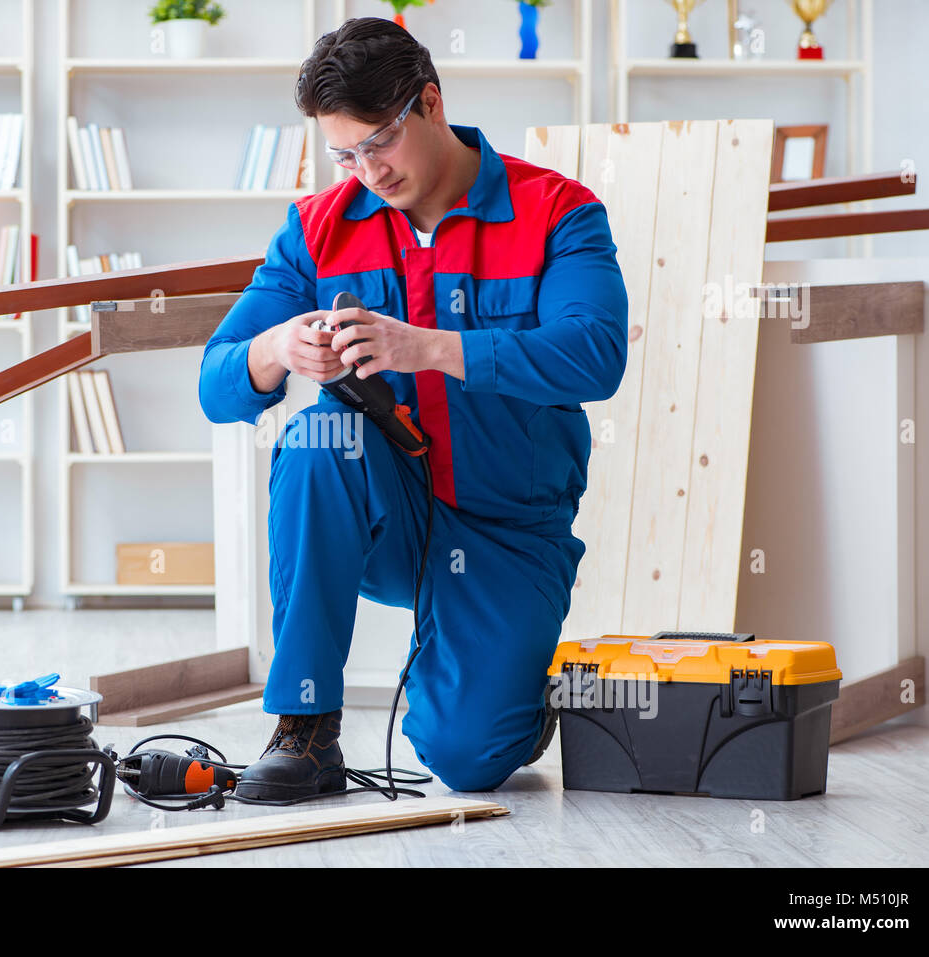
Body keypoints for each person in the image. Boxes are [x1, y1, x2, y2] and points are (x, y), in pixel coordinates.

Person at [197, 17, 628, 799]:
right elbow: (216, 381)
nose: (366, 170)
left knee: (467, 759)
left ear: (429, 102)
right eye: (345, 153)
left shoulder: (557, 212)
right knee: (320, 435)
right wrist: (278, 349)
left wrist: (426, 346)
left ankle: (507, 696)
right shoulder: (317, 229)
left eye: (380, 143)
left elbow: (597, 355)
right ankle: (307, 728)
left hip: (506, 528)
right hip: (390, 517)